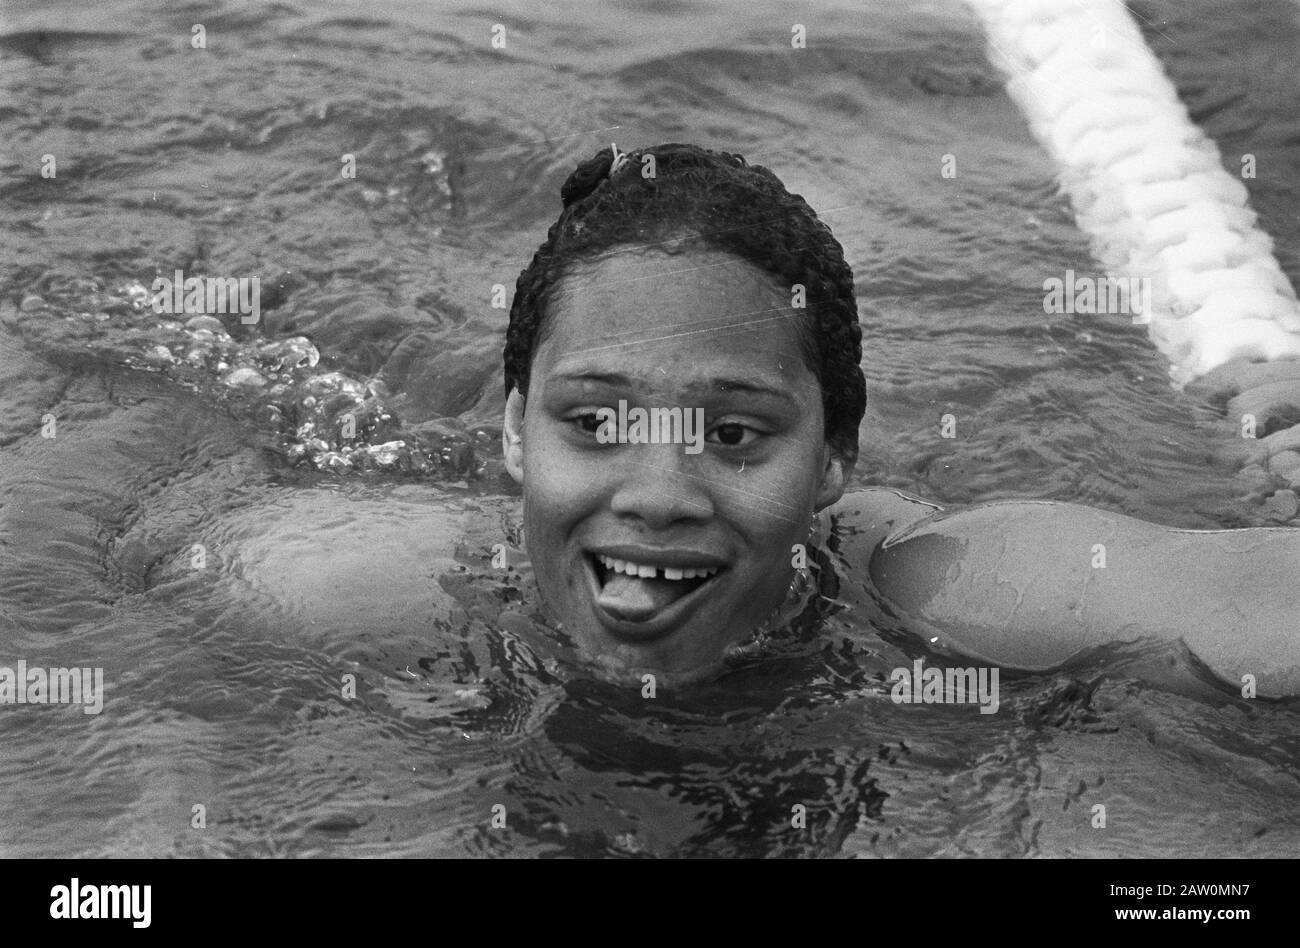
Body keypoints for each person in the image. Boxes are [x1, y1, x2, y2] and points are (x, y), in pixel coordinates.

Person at [501, 142, 1300, 696]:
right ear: (513, 432)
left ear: (833, 459)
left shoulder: (938, 588)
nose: (659, 494)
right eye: (598, 424)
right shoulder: (414, 594)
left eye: (733, 434)